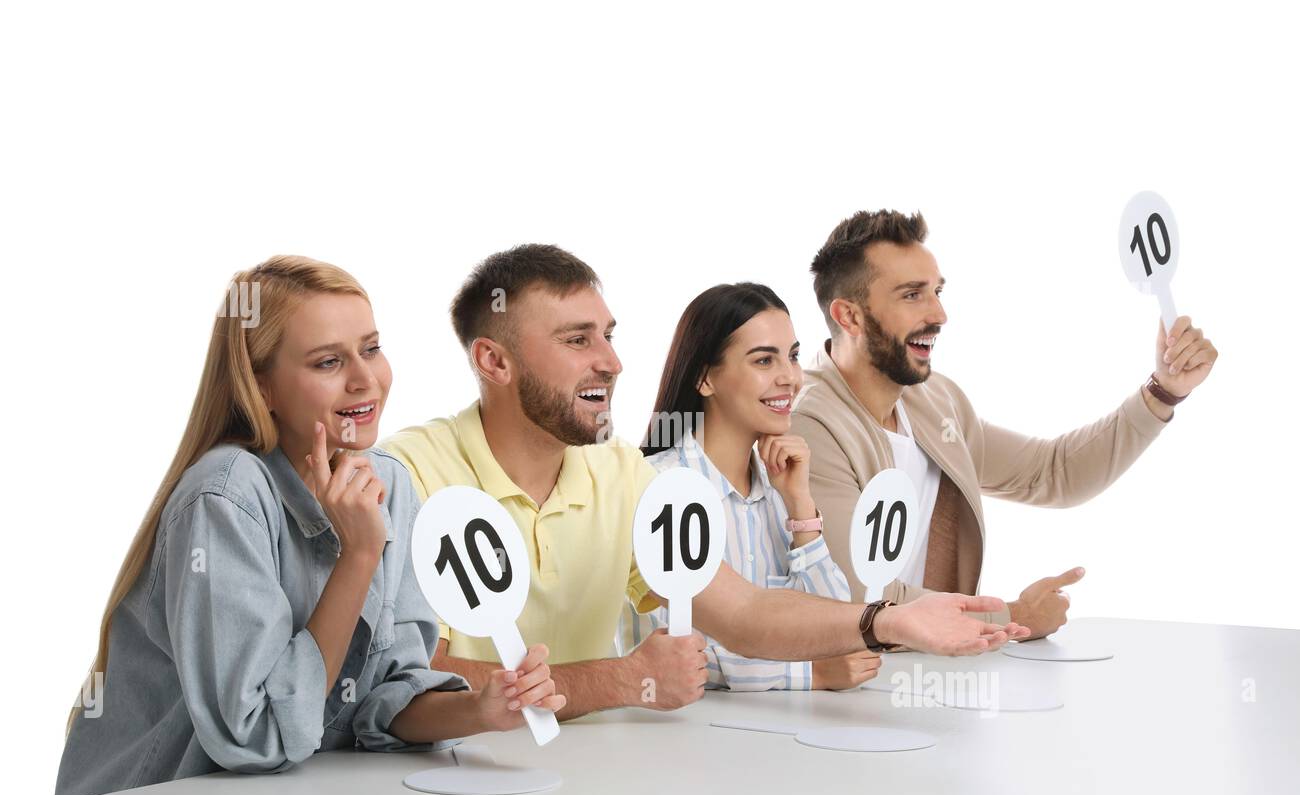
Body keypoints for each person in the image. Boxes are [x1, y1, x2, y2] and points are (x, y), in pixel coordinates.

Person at [43, 255, 562, 795]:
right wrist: (359, 556)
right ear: (261, 385)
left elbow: (381, 696)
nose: (365, 379)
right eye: (328, 362)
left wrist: (479, 708)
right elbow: (257, 736)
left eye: (371, 348)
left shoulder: (389, 484)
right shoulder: (227, 496)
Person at [382, 244, 1029, 721]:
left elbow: (744, 612)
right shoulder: (409, 471)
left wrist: (890, 621)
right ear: (493, 360)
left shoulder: (623, 476)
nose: (611, 361)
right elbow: (404, 678)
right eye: (578, 340)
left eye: (607, 337)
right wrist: (621, 680)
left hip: (594, 775)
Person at [791, 210, 1219, 636]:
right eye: (912, 295)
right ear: (849, 317)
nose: (939, 314)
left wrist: (1163, 391)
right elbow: (857, 595)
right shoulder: (810, 423)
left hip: (934, 673)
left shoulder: (935, 400)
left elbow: (1051, 472)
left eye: (937, 291)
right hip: (843, 685)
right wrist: (1011, 617)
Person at [625, 281, 880, 692]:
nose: (790, 378)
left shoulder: (780, 488)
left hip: (779, 733)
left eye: (793, 357)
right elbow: (677, 648)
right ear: (705, 378)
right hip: (679, 740)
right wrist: (807, 674)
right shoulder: (658, 487)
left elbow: (835, 622)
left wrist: (800, 506)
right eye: (764, 361)